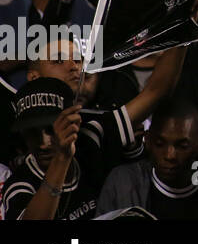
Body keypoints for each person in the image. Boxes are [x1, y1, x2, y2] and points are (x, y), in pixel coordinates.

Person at [3, 44, 184, 221]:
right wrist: (62, 158)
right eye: (31, 133)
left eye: (52, 130)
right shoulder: (21, 184)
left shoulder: (90, 137)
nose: (43, 143)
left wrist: (183, 27)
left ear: (73, 120)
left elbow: (157, 91)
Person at [95, 96, 198, 219]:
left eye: (182, 146)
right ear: (147, 140)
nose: (170, 155)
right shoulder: (122, 184)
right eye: (160, 144)